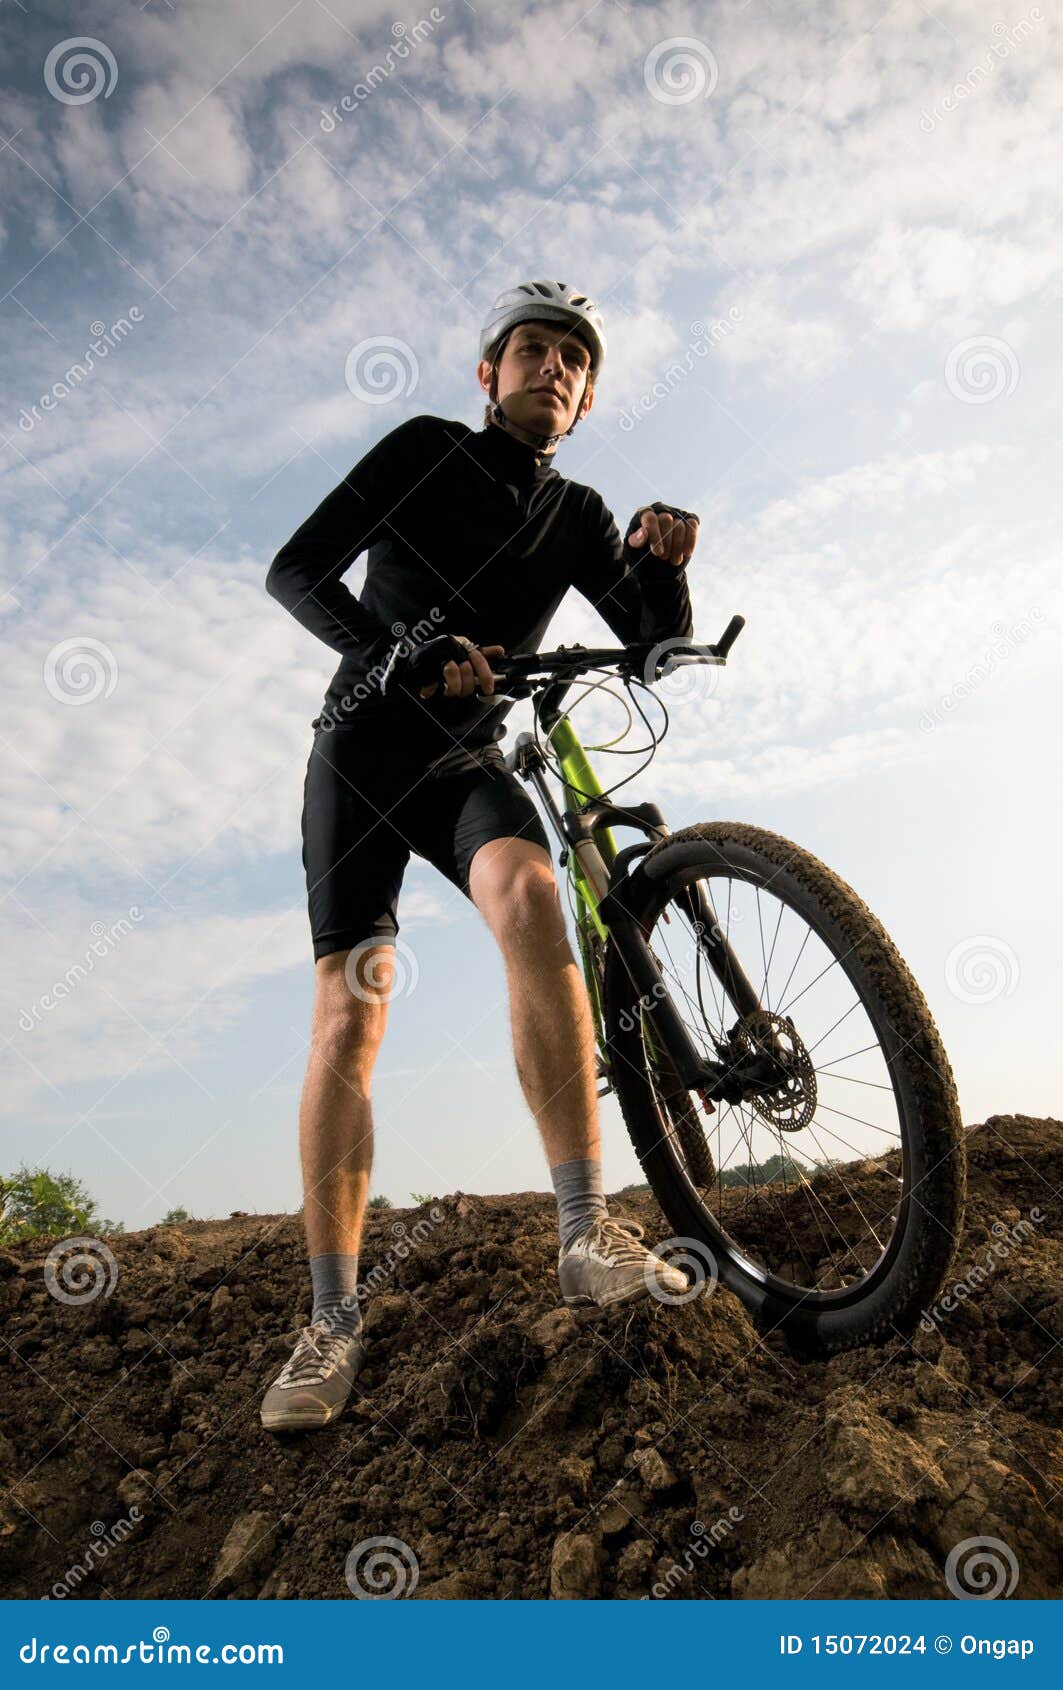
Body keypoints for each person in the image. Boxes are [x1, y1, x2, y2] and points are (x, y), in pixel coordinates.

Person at [260, 280, 701, 1431]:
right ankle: (330, 1320)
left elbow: (652, 651)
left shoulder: (580, 513)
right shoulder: (423, 450)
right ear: (487, 373)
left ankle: (583, 1233)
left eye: (573, 359)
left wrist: (662, 566)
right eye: (531, 348)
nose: (552, 366)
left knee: (533, 894)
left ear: (587, 398)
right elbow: (296, 571)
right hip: (362, 751)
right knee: (351, 1013)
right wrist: (401, 651)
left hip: (465, 759)